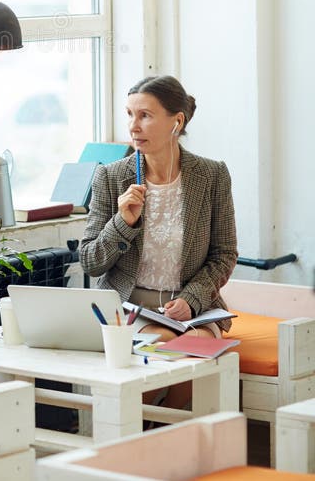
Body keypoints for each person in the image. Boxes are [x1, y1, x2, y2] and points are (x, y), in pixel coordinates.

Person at [80, 75, 238, 343]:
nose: (133, 126)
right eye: (129, 114)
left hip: (193, 308)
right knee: (165, 344)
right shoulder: (109, 177)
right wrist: (122, 223)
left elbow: (224, 254)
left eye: (145, 116)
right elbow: (90, 263)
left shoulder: (213, 175)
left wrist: (192, 299)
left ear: (176, 121)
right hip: (128, 307)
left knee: (194, 345)